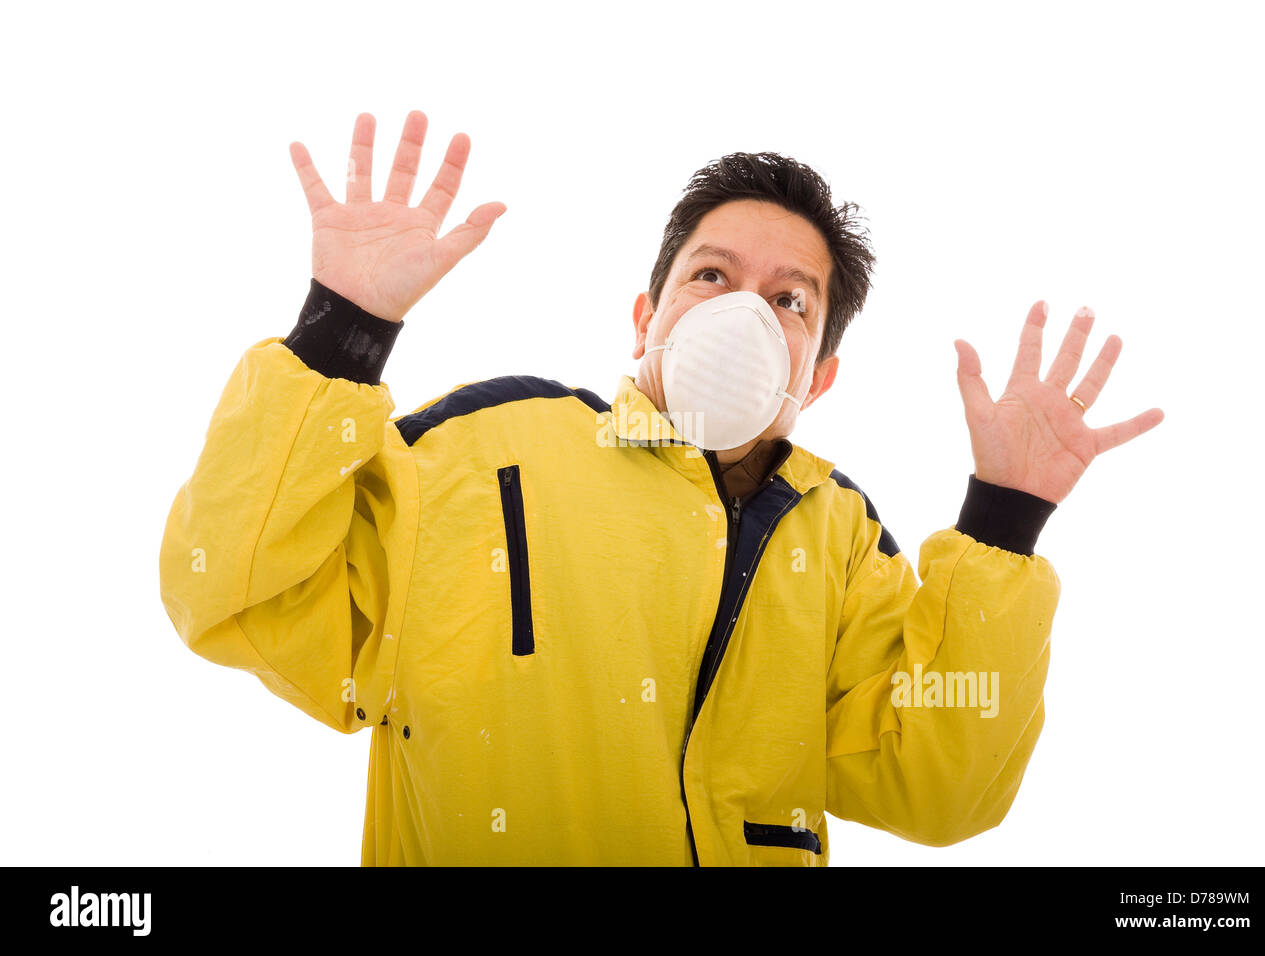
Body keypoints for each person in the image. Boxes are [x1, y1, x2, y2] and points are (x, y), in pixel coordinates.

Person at [158, 110, 1164, 866]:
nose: (744, 314)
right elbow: (237, 593)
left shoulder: (839, 537)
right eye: (711, 276)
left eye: (788, 300)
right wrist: (341, 331)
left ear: (815, 374)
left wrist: (1004, 519)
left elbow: (939, 783)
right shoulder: (483, 451)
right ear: (646, 316)